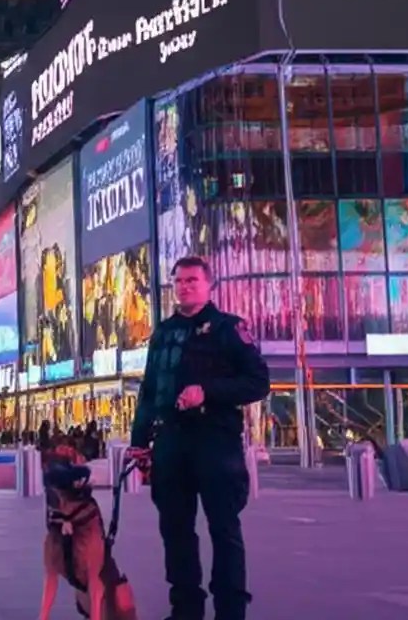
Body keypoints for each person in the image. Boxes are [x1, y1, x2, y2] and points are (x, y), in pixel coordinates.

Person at [127, 256, 270, 620]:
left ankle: (231, 611)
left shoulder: (228, 329)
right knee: (175, 531)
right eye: (178, 281)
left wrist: (207, 391)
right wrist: (139, 439)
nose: (184, 286)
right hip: (171, 444)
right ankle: (186, 610)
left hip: (216, 442)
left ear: (209, 285)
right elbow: (149, 390)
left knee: (224, 530)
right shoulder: (163, 332)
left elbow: (258, 383)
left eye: (192, 280)